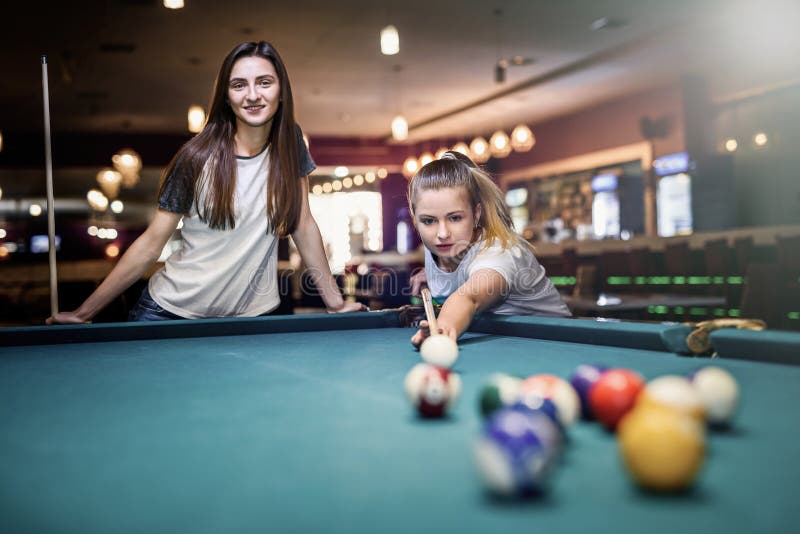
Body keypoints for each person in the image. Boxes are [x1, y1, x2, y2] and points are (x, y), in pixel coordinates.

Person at [48, 41, 364, 324]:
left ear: (281, 91)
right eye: (239, 85)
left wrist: (335, 304)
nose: (253, 95)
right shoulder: (195, 157)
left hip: (251, 318)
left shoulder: (290, 143)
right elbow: (150, 245)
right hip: (168, 313)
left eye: (264, 82)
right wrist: (83, 313)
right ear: (226, 97)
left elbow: (302, 223)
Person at [408, 151, 569, 346]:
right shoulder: (440, 246)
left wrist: (442, 328)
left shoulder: (498, 252)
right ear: (415, 218)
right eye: (428, 220)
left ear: (476, 214)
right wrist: (434, 273)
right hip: (506, 345)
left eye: (455, 218)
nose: (442, 233)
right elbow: (462, 269)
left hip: (554, 343)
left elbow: (469, 297)